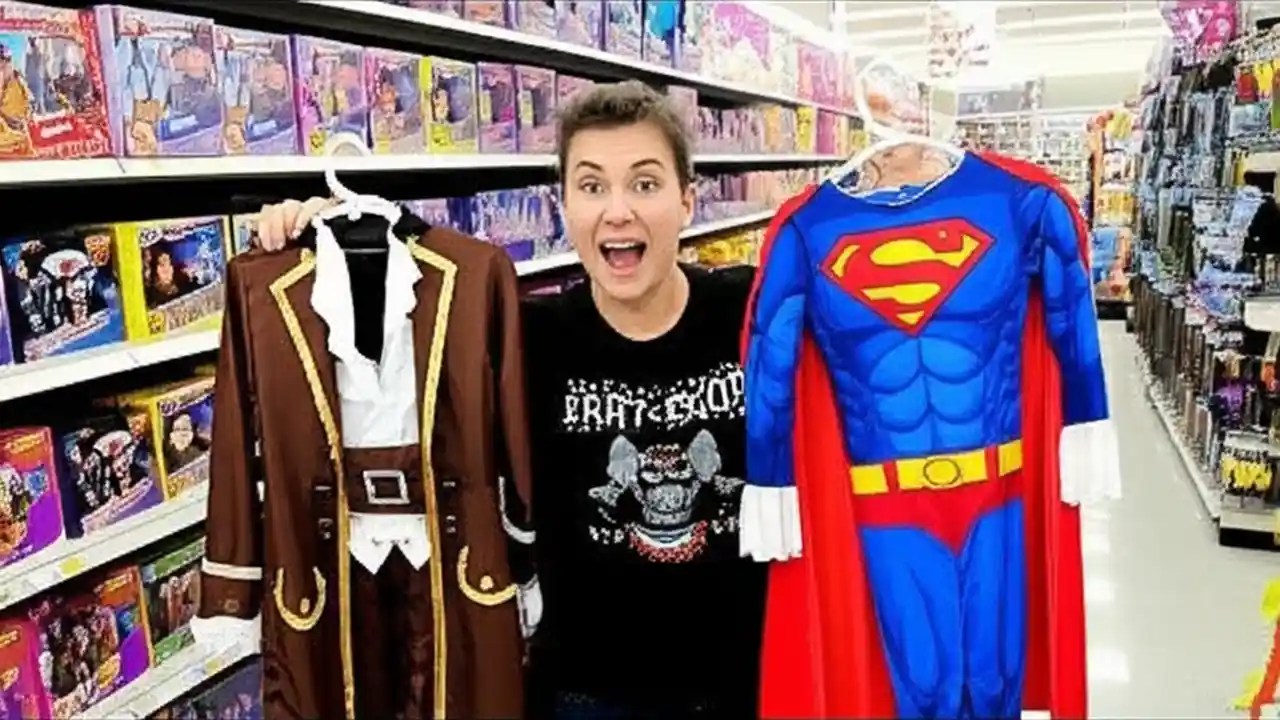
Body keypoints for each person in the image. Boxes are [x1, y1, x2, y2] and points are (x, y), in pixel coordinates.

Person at [251, 80, 767, 718]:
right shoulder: (521, 336)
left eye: (644, 183)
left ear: (688, 200)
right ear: (563, 204)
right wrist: (320, 236)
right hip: (581, 691)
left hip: (744, 682)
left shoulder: (750, 314)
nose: (618, 210)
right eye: (592, 185)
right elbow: (378, 352)